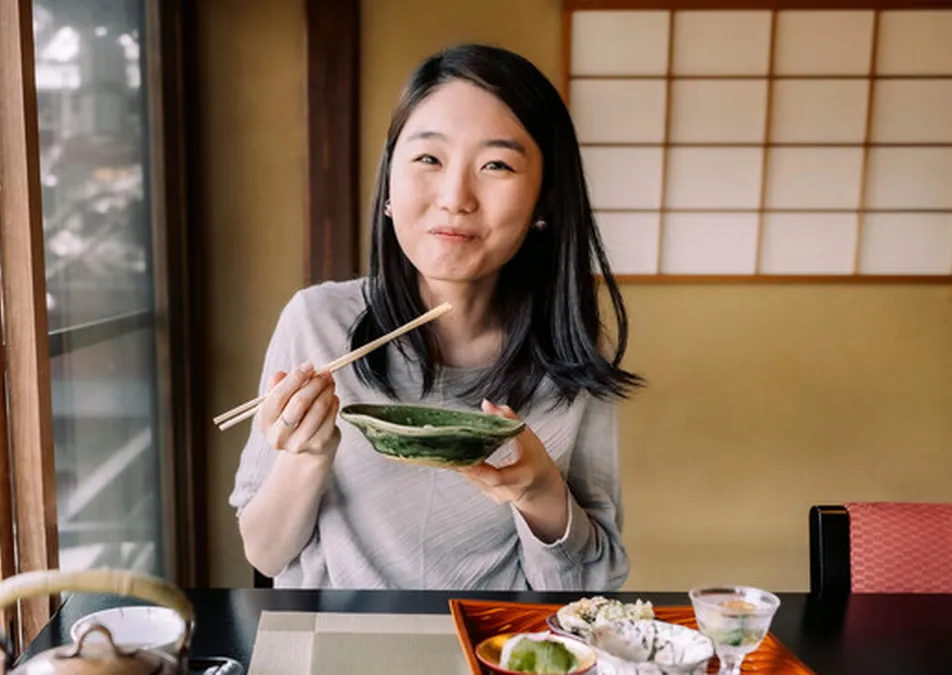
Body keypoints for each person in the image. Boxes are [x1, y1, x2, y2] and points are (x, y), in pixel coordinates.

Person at [228, 43, 642, 591]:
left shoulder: (567, 354)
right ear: (390, 187)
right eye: (428, 159)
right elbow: (265, 553)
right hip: (337, 648)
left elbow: (588, 590)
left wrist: (540, 492)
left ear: (545, 200)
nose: (455, 197)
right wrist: (306, 459)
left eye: (496, 164)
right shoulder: (317, 322)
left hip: (495, 648)